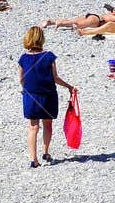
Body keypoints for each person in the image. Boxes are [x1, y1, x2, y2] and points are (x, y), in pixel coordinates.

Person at [19, 26, 77, 167]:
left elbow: (21, 79)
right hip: (48, 95)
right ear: (41, 39)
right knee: (48, 124)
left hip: (31, 97)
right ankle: (45, 152)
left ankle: (34, 159)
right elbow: (55, 78)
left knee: (33, 127)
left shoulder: (23, 58)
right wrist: (69, 87)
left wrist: (25, 89)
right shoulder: (49, 56)